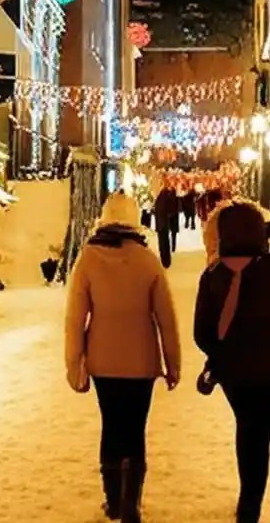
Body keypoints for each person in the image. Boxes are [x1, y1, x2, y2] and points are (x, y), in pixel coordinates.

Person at [65, 193, 182, 522]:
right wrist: (173, 365)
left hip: (103, 361)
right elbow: (167, 320)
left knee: (111, 426)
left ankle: (113, 499)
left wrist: (75, 366)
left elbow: (75, 319)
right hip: (142, 363)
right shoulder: (148, 261)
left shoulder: (87, 259)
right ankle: (132, 500)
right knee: (135, 429)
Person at [193, 203, 270, 523]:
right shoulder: (269, 267)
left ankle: (248, 502)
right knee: (261, 434)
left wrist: (219, 355)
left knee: (247, 428)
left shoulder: (214, 275)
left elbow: (201, 333)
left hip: (233, 371)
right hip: (269, 367)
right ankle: (251, 505)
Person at [153, 184, 179, 268]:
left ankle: (165, 261)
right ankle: (165, 260)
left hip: (162, 223)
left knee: (163, 243)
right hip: (162, 223)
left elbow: (169, 209)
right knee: (163, 242)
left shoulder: (164, 195)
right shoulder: (162, 196)